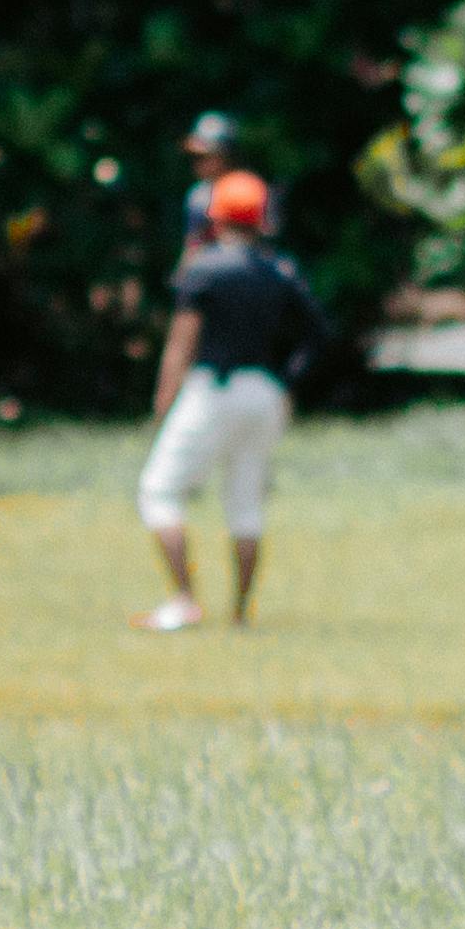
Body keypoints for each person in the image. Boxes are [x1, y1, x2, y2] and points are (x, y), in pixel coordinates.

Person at [132, 170, 325, 631]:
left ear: (215, 218)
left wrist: (164, 399)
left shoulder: (204, 269)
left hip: (211, 390)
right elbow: (316, 333)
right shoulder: (279, 271)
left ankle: (183, 600)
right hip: (263, 393)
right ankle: (240, 612)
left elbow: (182, 341)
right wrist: (287, 382)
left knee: (159, 492)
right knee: (245, 504)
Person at [179, 110, 281, 257]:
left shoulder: (253, 190)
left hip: (255, 269)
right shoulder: (199, 194)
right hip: (214, 273)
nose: (196, 163)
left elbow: (271, 238)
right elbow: (193, 247)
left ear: (226, 155)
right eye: (194, 157)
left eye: (203, 157)